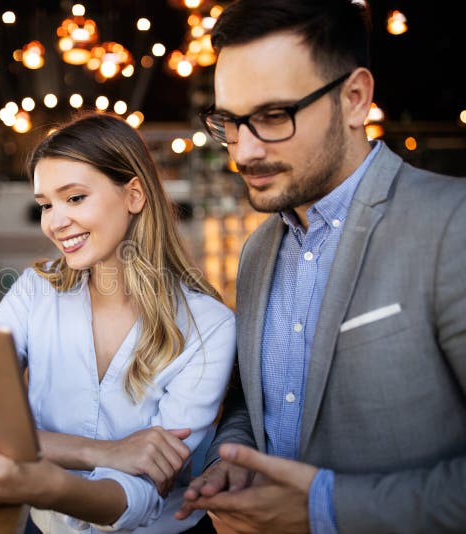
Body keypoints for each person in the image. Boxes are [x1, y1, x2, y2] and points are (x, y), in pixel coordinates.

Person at [174, 1, 466, 532]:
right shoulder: (260, 249)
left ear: (355, 99)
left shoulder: (453, 224)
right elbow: (254, 403)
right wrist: (228, 462)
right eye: (229, 121)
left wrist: (323, 509)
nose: (244, 150)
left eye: (271, 117)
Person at [0, 113, 236, 533]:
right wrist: (99, 451)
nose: (55, 221)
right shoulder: (34, 291)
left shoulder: (208, 325)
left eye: (75, 198)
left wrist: (44, 469)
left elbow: (147, 486)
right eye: (45, 204)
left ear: (134, 195)